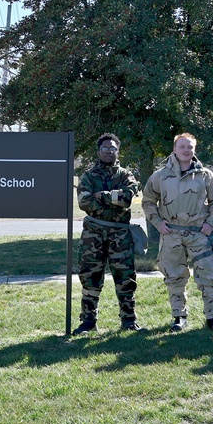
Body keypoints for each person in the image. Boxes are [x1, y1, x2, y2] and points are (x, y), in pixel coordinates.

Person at [142, 133, 213, 331]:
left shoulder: (205, 175)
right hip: (171, 235)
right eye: (182, 147)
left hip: (199, 235)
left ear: (194, 149)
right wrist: (157, 222)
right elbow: (148, 201)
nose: (186, 150)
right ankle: (179, 317)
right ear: (174, 149)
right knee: (174, 277)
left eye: (190, 147)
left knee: (209, 276)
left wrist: (211, 223)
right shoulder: (160, 176)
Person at [72, 133, 143, 335]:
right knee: (90, 277)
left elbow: (127, 199)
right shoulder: (88, 176)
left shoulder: (126, 175)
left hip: (120, 235)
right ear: (98, 151)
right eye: (105, 148)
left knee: (125, 278)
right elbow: (84, 203)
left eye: (113, 148)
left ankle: (129, 320)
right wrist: (114, 198)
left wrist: (100, 196)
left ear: (118, 151)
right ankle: (88, 322)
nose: (109, 151)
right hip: (93, 235)